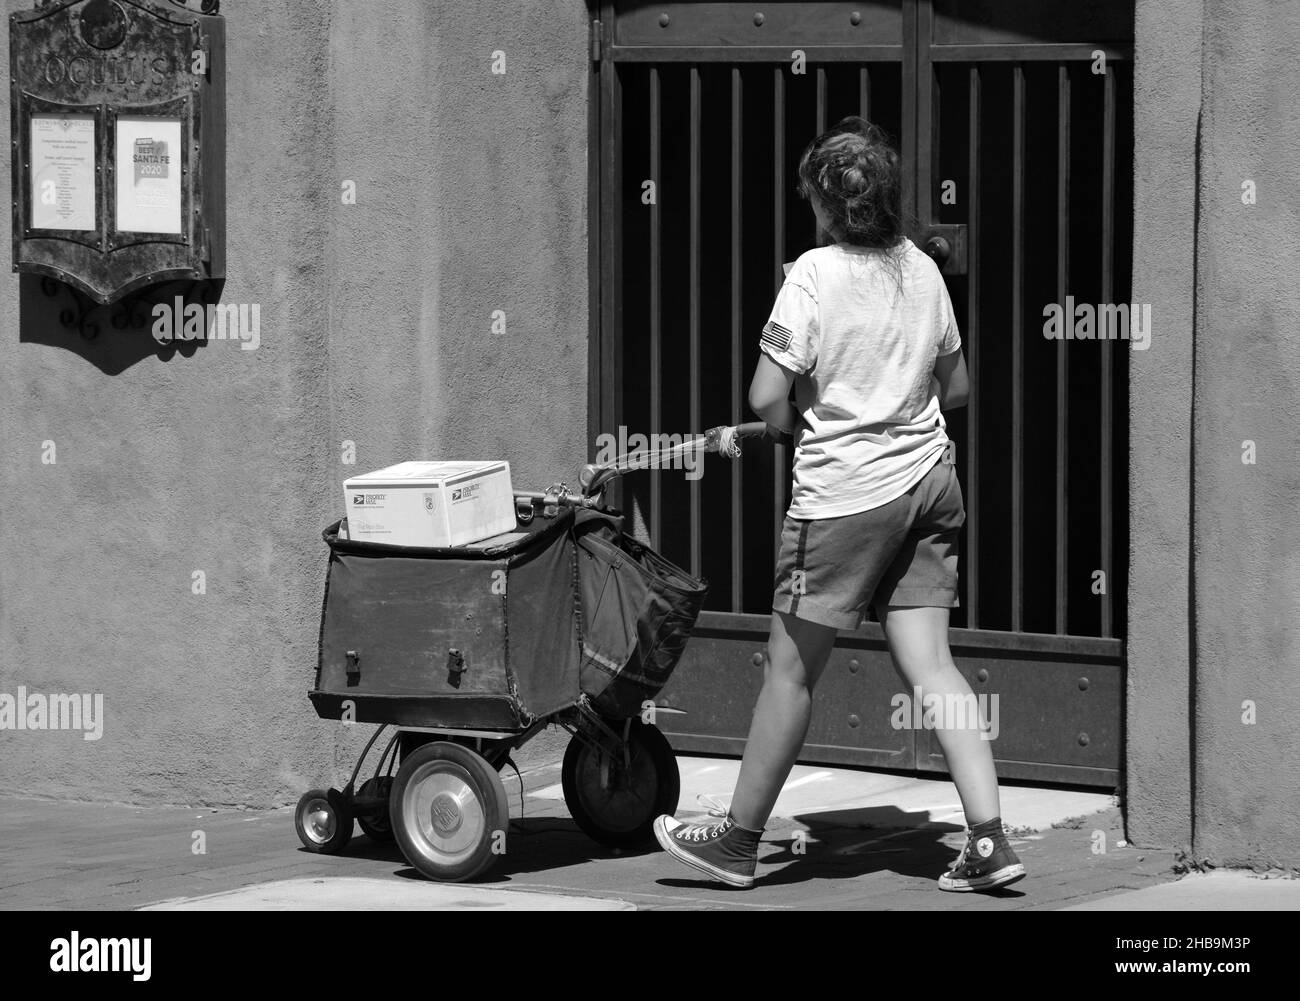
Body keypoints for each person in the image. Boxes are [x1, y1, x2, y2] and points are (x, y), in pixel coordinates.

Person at [653, 117, 1024, 893]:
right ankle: (988, 840)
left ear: (823, 205)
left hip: (845, 498)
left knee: (788, 672)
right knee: (931, 663)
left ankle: (737, 843)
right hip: (930, 481)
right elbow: (956, 388)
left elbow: (765, 392)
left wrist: (796, 420)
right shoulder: (924, 269)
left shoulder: (814, 275)